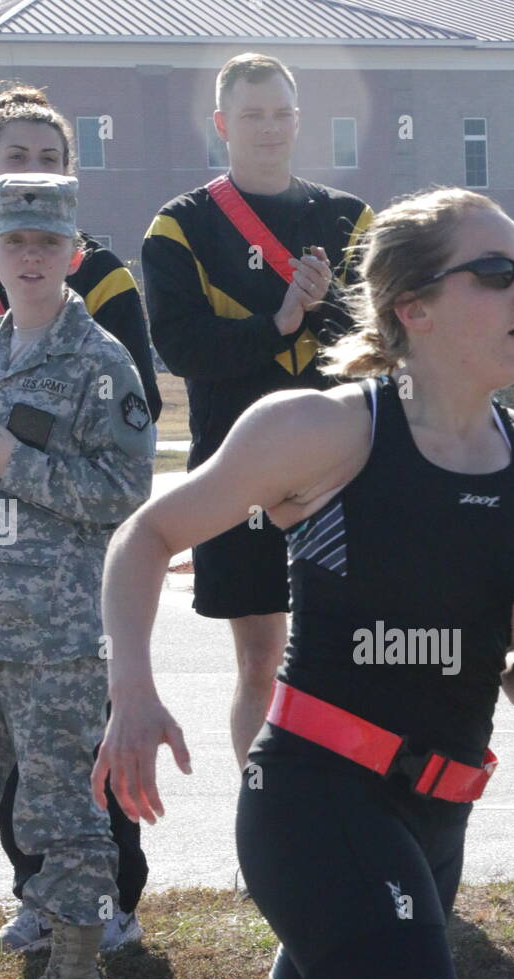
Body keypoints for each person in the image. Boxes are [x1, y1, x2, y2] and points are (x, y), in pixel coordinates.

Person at [0, 187, 514, 979]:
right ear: (413, 308)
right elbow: (147, 533)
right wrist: (132, 692)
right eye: (495, 273)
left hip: (435, 819)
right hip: (319, 800)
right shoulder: (325, 431)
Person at [142, 51, 374, 770]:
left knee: (350, 660)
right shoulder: (179, 227)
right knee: (259, 662)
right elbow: (182, 350)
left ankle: (344, 814)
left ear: (299, 121)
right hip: (235, 472)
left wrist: (321, 307)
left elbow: (381, 345)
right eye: (252, 115)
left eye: (280, 114)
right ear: (221, 124)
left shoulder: (351, 218)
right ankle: (264, 816)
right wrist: (279, 322)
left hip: (342, 472)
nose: (269, 128)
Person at [0, 84, 160, 954]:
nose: (31, 253)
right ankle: (38, 912)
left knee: (63, 798)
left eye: (47, 240)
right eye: (15, 240)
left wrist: (12, 462)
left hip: (58, 625)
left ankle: (87, 937)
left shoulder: (98, 357)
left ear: (73, 250)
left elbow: (124, 486)